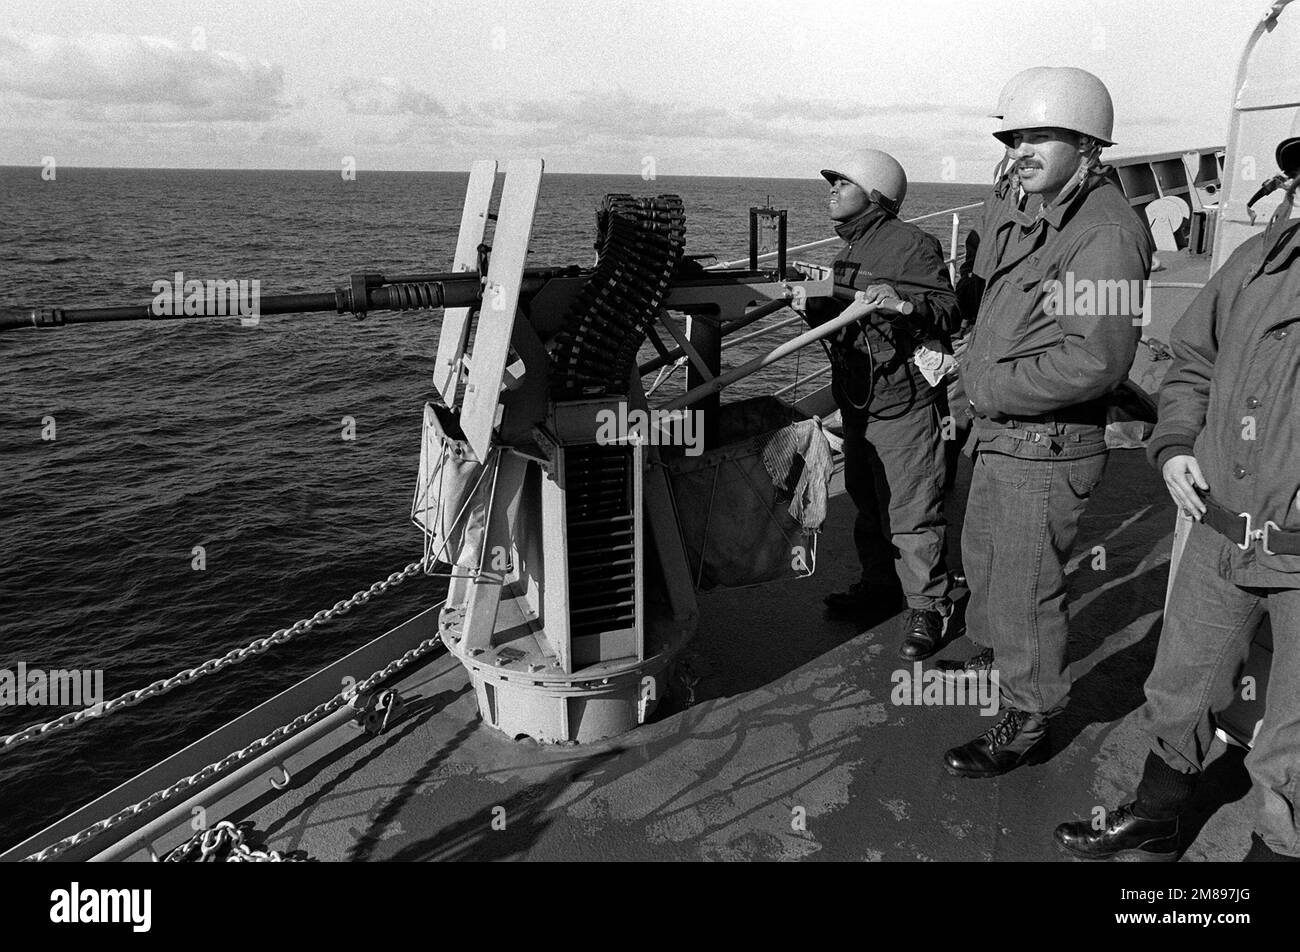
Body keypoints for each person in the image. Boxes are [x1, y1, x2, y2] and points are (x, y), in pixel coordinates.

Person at [1055, 118, 1300, 861]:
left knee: (1295, 731)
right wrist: (1173, 446)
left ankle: (1274, 854)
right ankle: (1157, 814)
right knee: (1181, 682)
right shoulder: (1257, 260)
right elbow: (1191, 359)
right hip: (1222, 524)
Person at [942, 67, 1154, 778]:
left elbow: (1095, 360)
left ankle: (1028, 717)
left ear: (1089, 146)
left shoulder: (1107, 236)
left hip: (1045, 440)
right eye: (1015, 135)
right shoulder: (1030, 206)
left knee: (1027, 587)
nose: (1020, 148)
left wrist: (989, 387)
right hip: (1003, 432)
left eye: (1039, 135)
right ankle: (996, 656)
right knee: (986, 562)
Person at [812, 148, 963, 661]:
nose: (831, 189)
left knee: (912, 511)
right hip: (859, 401)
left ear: (875, 196)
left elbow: (947, 312)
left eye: (842, 182)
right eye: (831, 183)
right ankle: (880, 584)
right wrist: (812, 301)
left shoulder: (911, 245)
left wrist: (902, 304)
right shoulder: (849, 249)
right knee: (866, 500)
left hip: (902, 403)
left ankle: (929, 606)